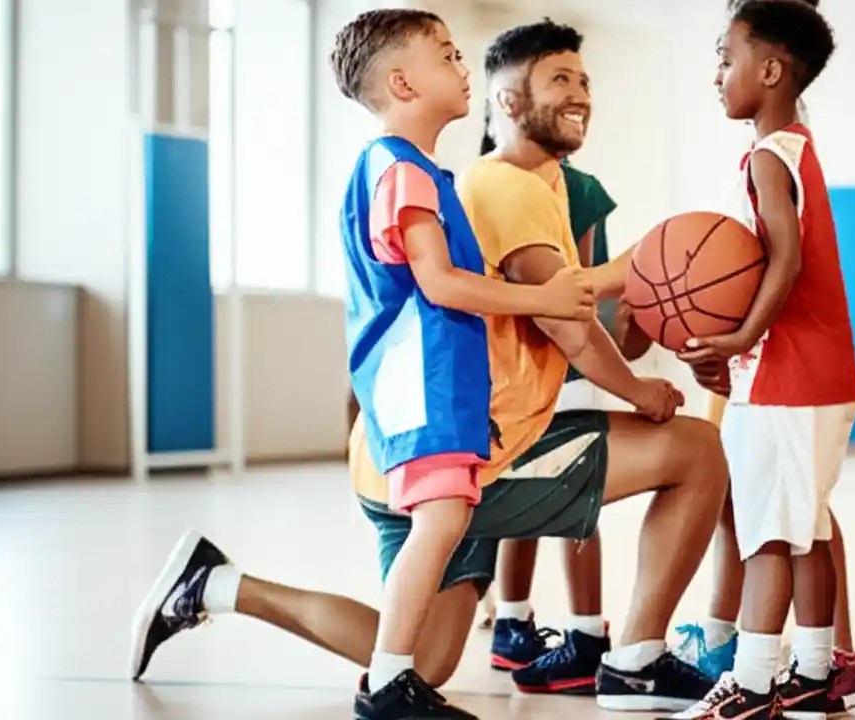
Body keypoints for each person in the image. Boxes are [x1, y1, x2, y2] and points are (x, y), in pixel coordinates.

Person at [130, 14, 726, 719]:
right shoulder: (438, 175)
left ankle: (220, 587)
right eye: (446, 54)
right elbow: (492, 300)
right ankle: (628, 664)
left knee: (429, 651)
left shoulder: (447, 176)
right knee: (697, 450)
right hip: (454, 435)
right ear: (404, 81)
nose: (460, 63)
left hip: (411, 443)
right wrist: (627, 371)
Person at [672, 6, 855, 709]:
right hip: (818, 374)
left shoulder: (770, 155)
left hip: (786, 376)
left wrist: (736, 342)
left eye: (725, 57)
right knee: (807, 530)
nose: (717, 75)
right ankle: (818, 670)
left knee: (764, 534)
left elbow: (784, 261)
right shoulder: (795, 145)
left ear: (769, 70)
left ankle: (753, 682)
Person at [484, 152, 655, 697]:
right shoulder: (572, 187)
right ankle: (584, 631)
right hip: (558, 358)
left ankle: (512, 623)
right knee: (578, 501)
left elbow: (577, 289)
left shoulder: (505, 184)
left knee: (531, 495)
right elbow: (579, 294)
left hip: (524, 364)